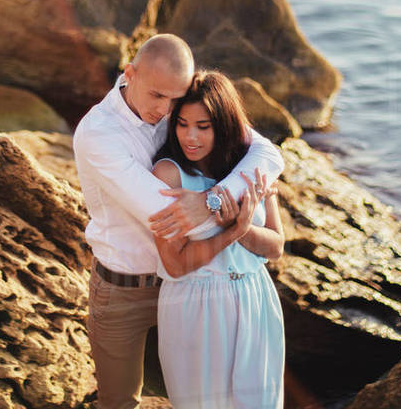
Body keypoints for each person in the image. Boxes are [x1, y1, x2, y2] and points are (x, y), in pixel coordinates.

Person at [72, 35, 285, 409]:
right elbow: (172, 218)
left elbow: (268, 154)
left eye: (176, 98)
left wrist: (214, 199)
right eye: (158, 96)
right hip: (125, 288)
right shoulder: (98, 135)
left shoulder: (179, 108)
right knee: (118, 402)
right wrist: (240, 207)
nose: (167, 110)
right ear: (130, 74)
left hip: (190, 288)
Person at [151, 70, 285, 408]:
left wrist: (242, 228)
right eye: (182, 124)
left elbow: (276, 247)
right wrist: (230, 233)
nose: (190, 137)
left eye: (203, 126)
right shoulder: (168, 174)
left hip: (255, 297)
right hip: (195, 306)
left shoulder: (248, 170)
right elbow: (175, 264)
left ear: (223, 124)